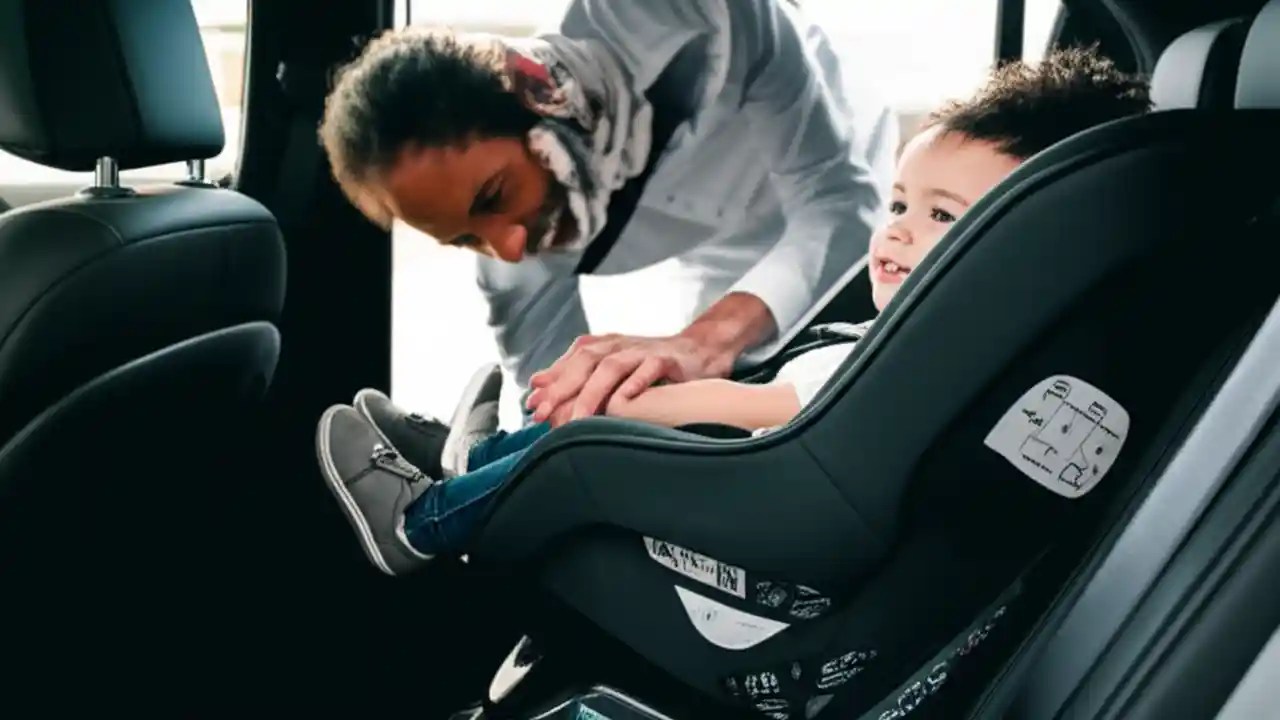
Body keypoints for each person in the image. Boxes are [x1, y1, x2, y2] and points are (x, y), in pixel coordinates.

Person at [317, 46, 1154, 576]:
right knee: (581, 408)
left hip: (770, 504)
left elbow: (783, 387)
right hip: (768, 454)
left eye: (940, 216)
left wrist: (655, 392)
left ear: (539, 92)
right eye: (899, 206)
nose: (503, 249)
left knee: (599, 429)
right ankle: (476, 464)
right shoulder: (923, 331)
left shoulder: (713, 33)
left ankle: (421, 521)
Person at [317, 0, 899, 431]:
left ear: (537, 91)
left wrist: (702, 340)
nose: (510, 247)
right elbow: (557, 415)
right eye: (467, 238)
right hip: (726, 257)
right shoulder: (512, 260)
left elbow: (840, 203)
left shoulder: (686, 15)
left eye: (493, 196)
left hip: (853, 172)